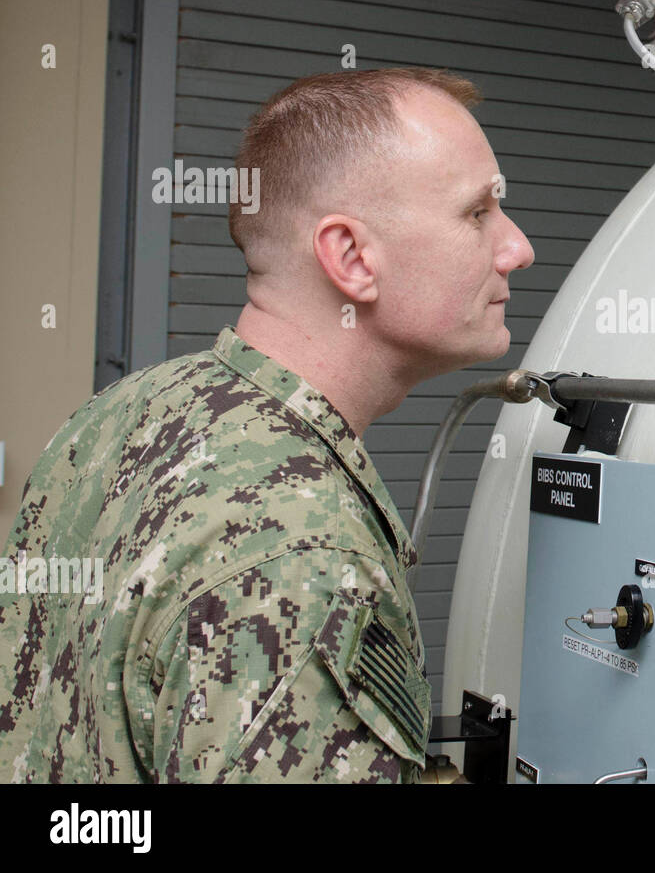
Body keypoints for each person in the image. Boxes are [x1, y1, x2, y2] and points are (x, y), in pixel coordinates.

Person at [0, 68, 534, 782]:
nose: (518, 248)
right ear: (350, 257)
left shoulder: (116, 414)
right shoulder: (304, 553)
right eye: (477, 214)